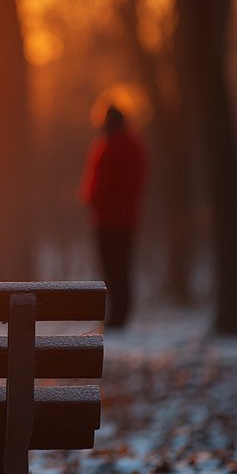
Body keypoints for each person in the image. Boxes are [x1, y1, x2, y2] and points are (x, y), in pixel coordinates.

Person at [80, 104, 149, 328]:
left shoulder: (109, 146)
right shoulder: (132, 146)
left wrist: (94, 199)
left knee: (113, 268)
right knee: (119, 267)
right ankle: (120, 314)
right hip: (124, 219)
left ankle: (119, 316)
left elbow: (101, 183)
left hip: (109, 219)